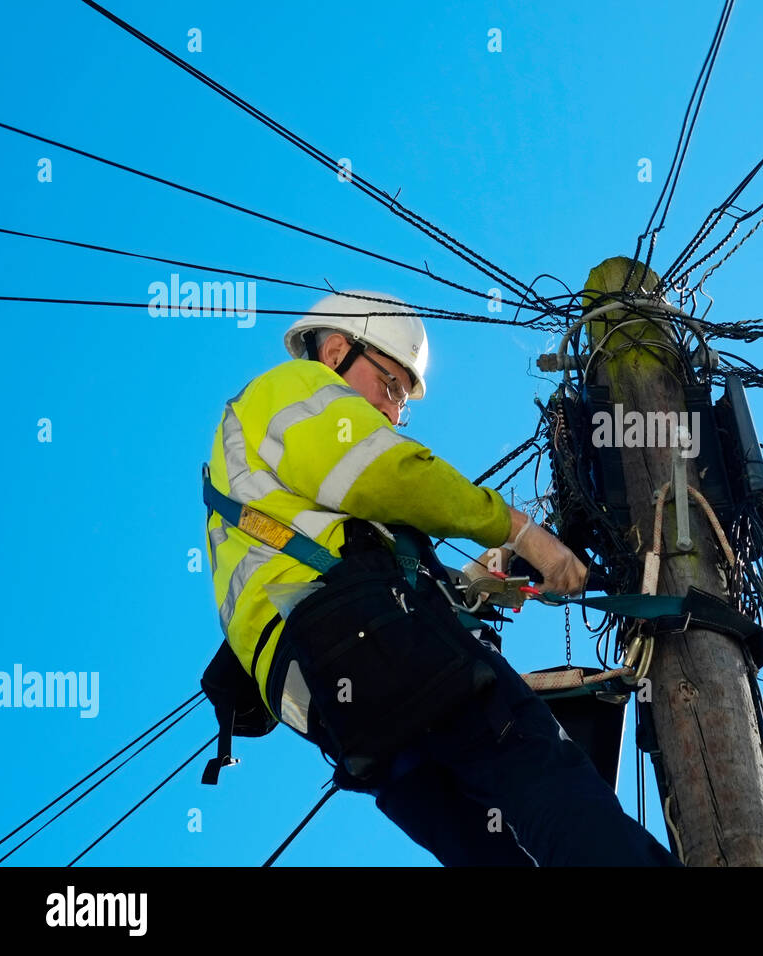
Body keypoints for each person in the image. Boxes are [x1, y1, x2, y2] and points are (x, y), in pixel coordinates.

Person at [204, 289, 680, 866]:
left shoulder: (259, 482)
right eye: (392, 386)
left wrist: (474, 582)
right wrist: (521, 532)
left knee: (490, 853)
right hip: (380, 650)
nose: (393, 413)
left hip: (340, 707)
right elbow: (392, 474)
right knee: (545, 778)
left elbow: (348, 551)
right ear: (334, 352)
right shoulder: (293, 387)